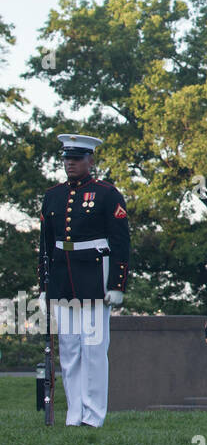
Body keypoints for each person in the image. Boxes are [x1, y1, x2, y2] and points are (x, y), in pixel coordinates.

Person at [39, 134, 130, 427]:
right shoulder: (52, 195)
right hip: (63, 276)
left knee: (92, 348)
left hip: (94, 274)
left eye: (77, 159)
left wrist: (117, 284)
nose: (71, 164)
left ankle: (93, 415)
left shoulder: (107, 193)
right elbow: (44, 245)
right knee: (69, 348)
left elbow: (121, 242)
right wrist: (43, 286)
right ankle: (74, 413)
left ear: (90, 160)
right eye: (67, 158)